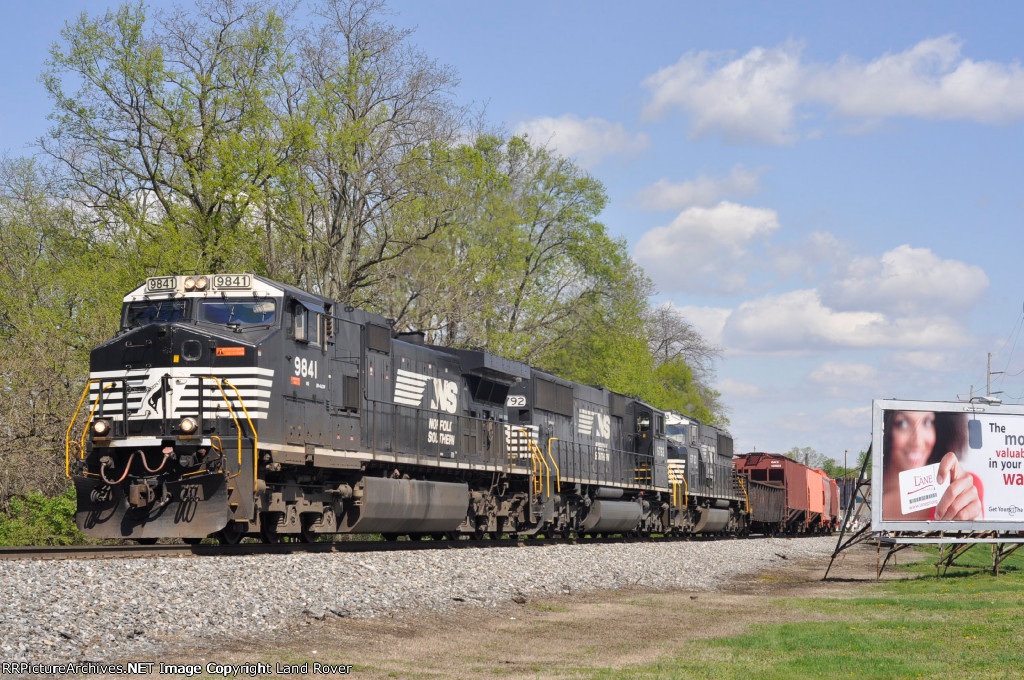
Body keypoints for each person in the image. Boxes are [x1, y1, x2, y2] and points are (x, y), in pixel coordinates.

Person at [881, 410, 983, 521]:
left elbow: (982, 536)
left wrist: (977, 527)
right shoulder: (871, 498)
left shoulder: (961, 489)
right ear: (885, 429)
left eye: (927, 422)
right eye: (902, 424)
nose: (918, 442)